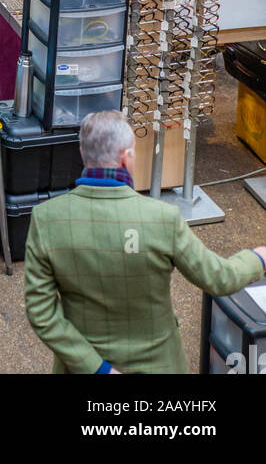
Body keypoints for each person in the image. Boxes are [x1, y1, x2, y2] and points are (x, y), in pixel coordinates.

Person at [24, 110, 266, 374]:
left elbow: (41, 313)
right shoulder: (162, 219)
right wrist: (258, 258)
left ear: (84, 153)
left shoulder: (46, 220)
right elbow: (219, 278)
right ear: (127, 157)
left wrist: (99, 369)